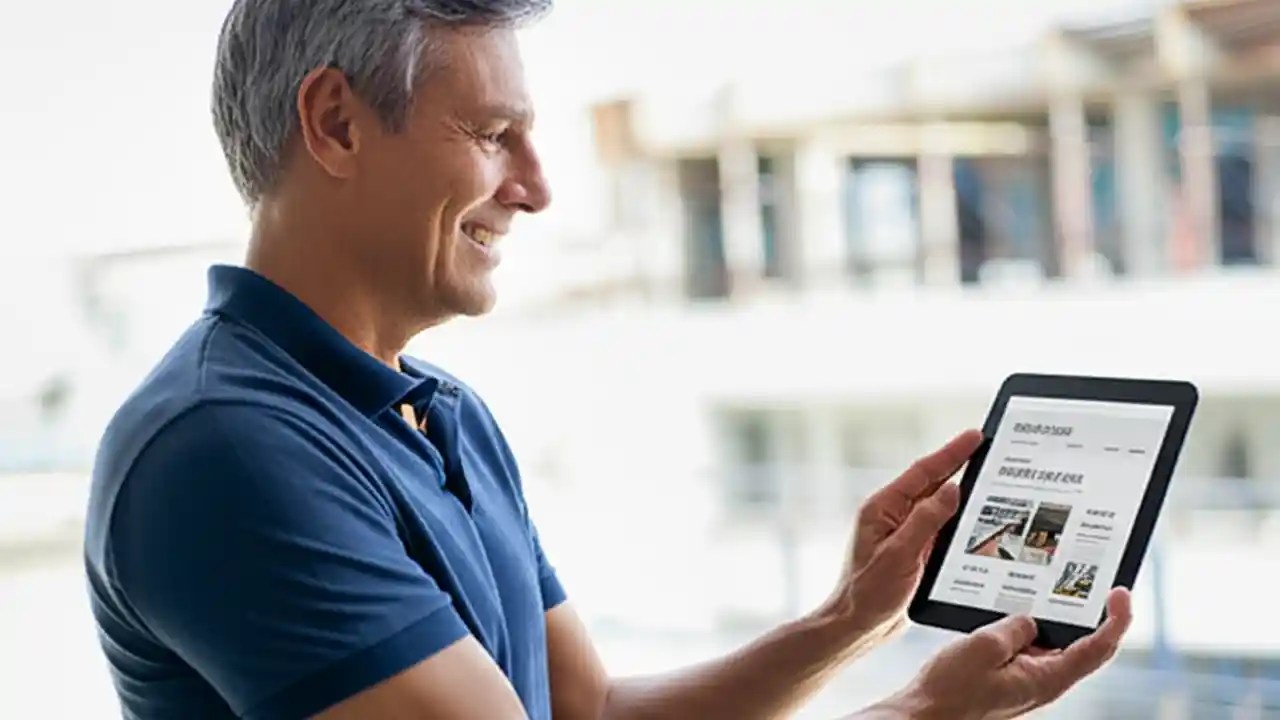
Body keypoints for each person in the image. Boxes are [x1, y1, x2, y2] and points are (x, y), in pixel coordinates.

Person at [82, 2, 1132, 718]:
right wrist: (920, 711)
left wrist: (849, 619)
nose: (535, 188)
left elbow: (586, 710)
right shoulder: (222, 450)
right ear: (336, 124)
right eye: (494, 133)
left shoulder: (437, 411)